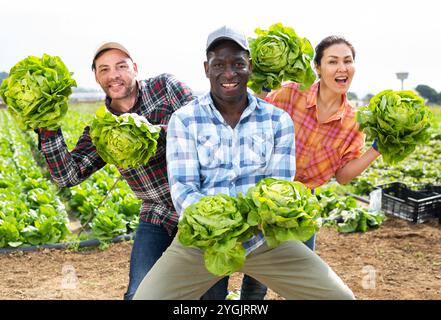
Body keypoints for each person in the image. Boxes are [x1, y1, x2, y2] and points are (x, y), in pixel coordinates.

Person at [133, 26, 355, 300]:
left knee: (340, 298)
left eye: (238, 64)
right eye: (219, 65)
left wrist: (247, 225)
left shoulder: (277, 120)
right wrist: (221, 226)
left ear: (249, 66)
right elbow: (184, 191)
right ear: (206, 68)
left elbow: (278, 187)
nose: (229, 73)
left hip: (263, 240)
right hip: (203, 241)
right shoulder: (185, 119)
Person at [35, 42, 226, 300]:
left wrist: (147, 134)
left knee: (209, 295)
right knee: (139, 294)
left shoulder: (165, 88)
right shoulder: (102, 130)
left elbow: (205, 124)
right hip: (157, 212)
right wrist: (48, 129)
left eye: (121, 66)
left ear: (135, 68)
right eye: (104, 69)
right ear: (96, 77)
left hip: (203, 208)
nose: (113, 75)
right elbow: (68, 175)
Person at [242, 35, 381, 299]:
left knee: (303, 274)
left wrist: (376, 149)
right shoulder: (291, 93)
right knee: (257, 279)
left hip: (303, 203)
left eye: (348, 61)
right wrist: (262, 77)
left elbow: (342, 176)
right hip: (264, 195)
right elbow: (256, 115)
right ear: (317, 67)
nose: (342, 68)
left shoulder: (353, 121)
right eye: (333, 61)